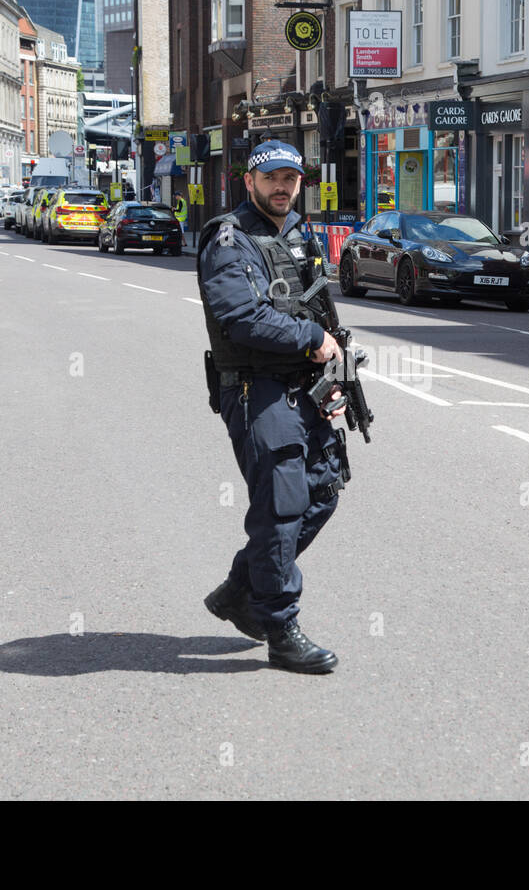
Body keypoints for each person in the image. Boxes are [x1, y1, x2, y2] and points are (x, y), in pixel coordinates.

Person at [196, 140, 349, 675]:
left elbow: (319, 307)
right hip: (256, 390)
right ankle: (281, 628)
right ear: (250, 183)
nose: (282, 187)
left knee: (324, 489)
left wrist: (334, 371)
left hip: (305, 386)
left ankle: (241, 589)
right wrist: (312, 337)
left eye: (291, 178)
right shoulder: (229, 239)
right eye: (272, 179)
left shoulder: (298, 234)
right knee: (281, 506)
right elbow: (240, 317)